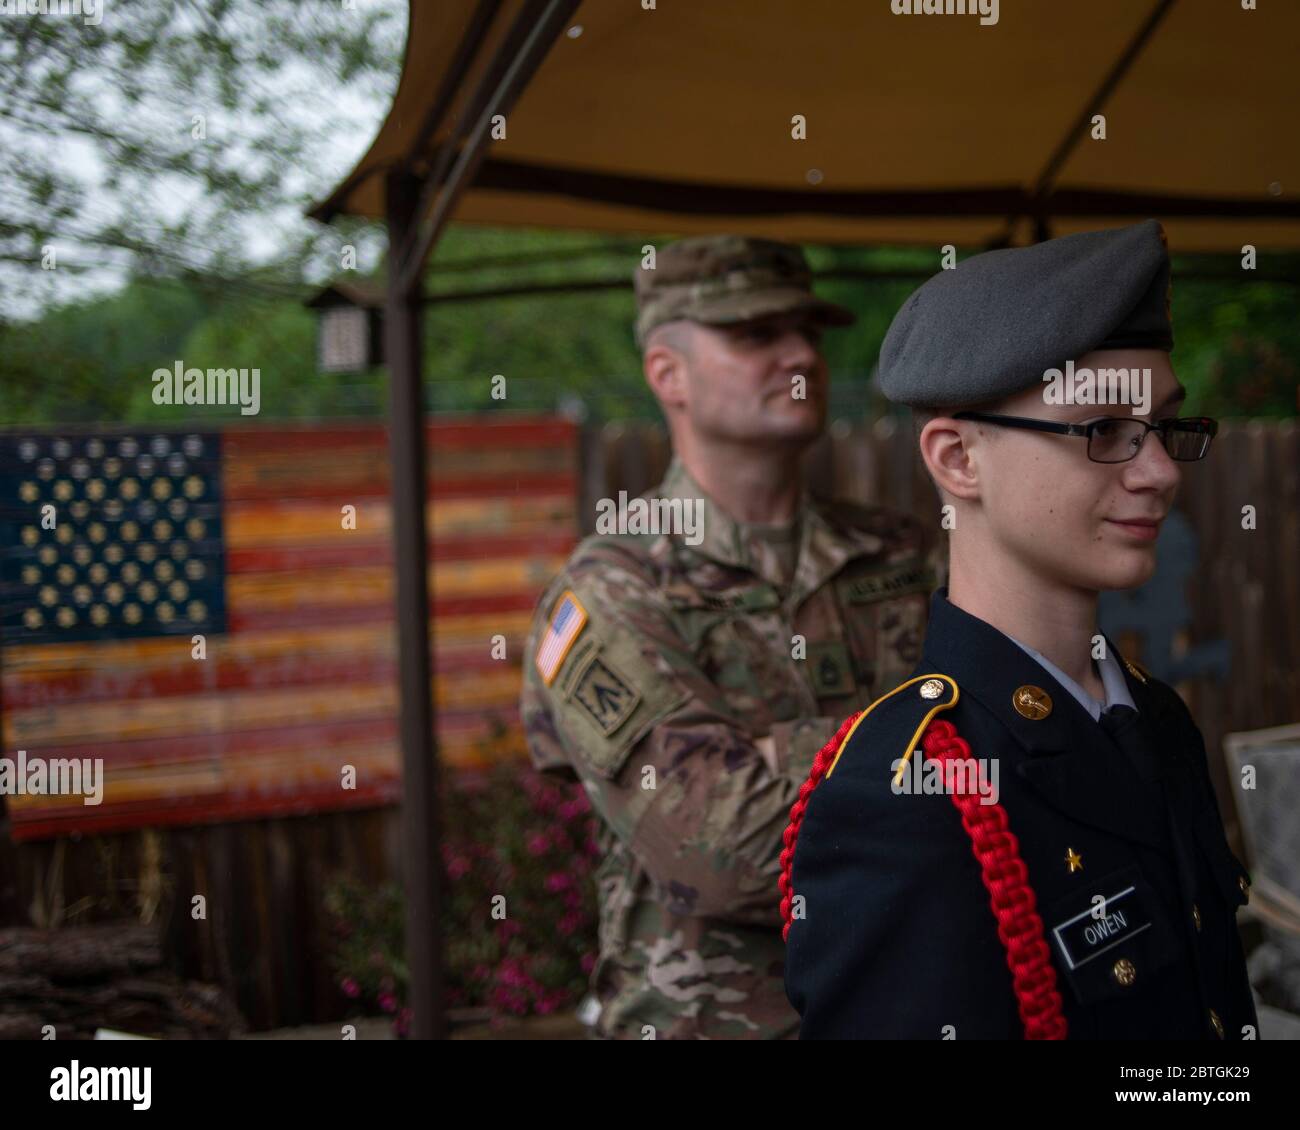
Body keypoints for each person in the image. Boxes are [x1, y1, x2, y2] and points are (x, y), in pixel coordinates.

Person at [782, 219, 1258, 1040]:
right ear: (959, 461)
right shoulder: (903, 792)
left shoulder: (1155, 721)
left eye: (1165, 426)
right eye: (1104, 430)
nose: (1159, 472)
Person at [521, 235, 933, 1039]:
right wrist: (921, 752)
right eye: (755, 335)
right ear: (667, 374)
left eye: (807, 331)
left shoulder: (911, 554)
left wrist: (780, 752)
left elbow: (1027, 759)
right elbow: (724, 851)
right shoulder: (610, 586)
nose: (801, 354)